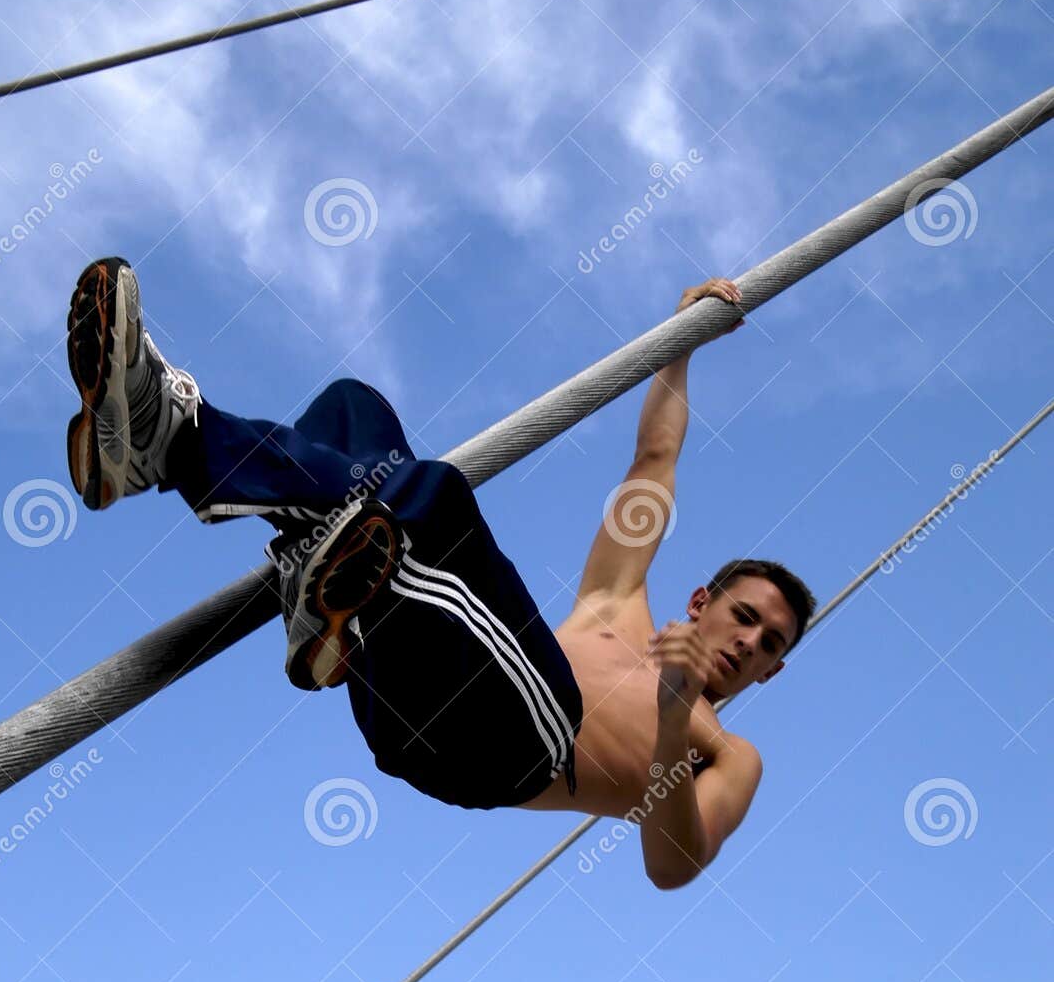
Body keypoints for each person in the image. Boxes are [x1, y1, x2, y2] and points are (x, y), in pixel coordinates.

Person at [64, 258, 814, 888]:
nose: (751, 643)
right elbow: (654, 462)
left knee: (431, 503)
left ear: (774, 673)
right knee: (352, 413)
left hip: (506, 749)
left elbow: (675, 863)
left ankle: (178, 439)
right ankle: (266, 534)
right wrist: (680, 344)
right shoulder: (615, 604)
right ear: (701, 600)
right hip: (398, 694)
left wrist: (674, 717)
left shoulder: (726, 752)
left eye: (771, 645)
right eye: (746, 618)